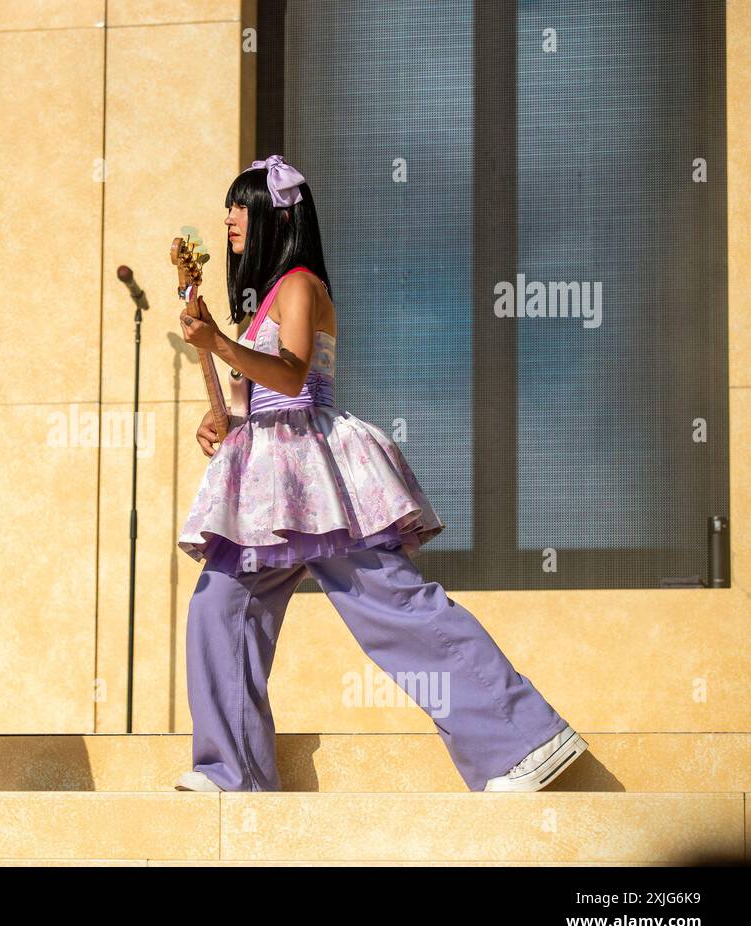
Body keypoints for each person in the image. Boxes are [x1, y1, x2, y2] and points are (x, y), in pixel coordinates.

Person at [174, 155, 588, 794]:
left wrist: (220, 346)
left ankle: (523, 741)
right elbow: (255, 400)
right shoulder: (259, 306)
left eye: (242, 205)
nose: (229, 217)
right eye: (228, 206)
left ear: (276, 217)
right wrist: (222, 418)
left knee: (391, 604)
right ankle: (233, 775)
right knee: (219, 606)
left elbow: (293, 377)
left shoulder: (299, 285)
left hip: (315, 473)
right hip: (264, 485)